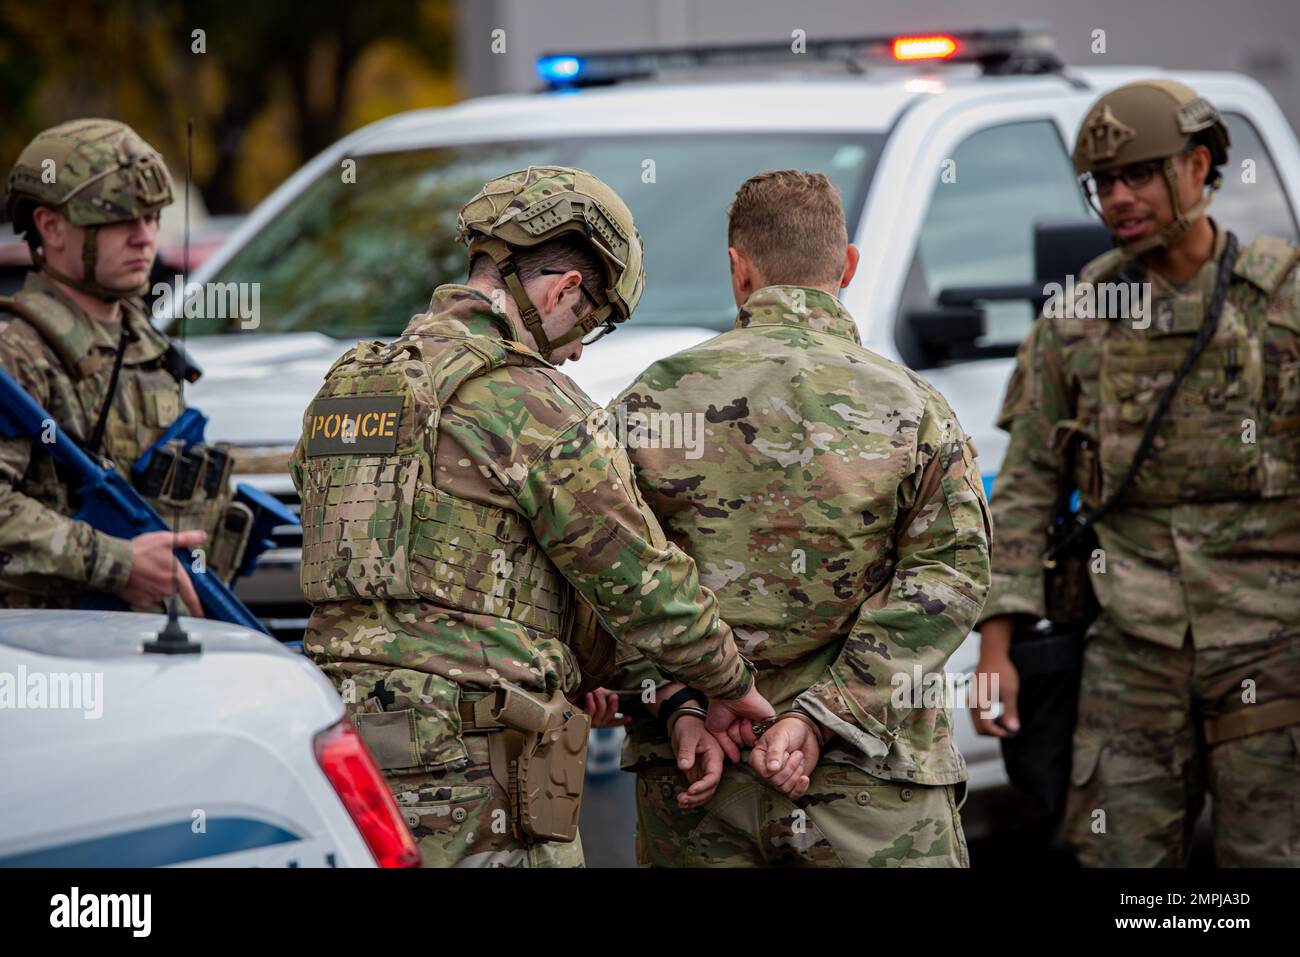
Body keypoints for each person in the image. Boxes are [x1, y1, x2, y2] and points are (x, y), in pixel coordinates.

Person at [291, 165, 771, 868]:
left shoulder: (348, 383)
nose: (577, 349)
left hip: (339, 746)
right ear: (563, 290)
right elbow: (641, 580)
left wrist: (616, 678)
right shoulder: (530, 399)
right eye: (589, 324)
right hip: (475, 766)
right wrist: (730, 684)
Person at [594, 169, 991, 867]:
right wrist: (825, 715)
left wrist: (681, 703)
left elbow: (603, 572)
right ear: (848, 265)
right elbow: (951, 576)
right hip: (873, 785)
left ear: (736, 269)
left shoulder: (649, 401)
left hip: (699, 782)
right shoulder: (913, 405)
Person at [973, 80, 1300, 867]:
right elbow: (1024, 489)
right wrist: (996, 650)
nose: (1119, 198)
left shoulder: (1283, 299)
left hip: (1273, 643)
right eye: (1103, 183)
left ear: (1197, 166)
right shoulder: (1076, 318)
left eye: (1140, 174)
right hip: (1130, 647)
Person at [0, 118, 215, 615]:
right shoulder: (18, 353)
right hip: (43, 652)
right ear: (50, 227)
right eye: (119, 219)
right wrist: (115, 563)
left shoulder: (142, 342)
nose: (145, 238)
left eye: (153, 217)